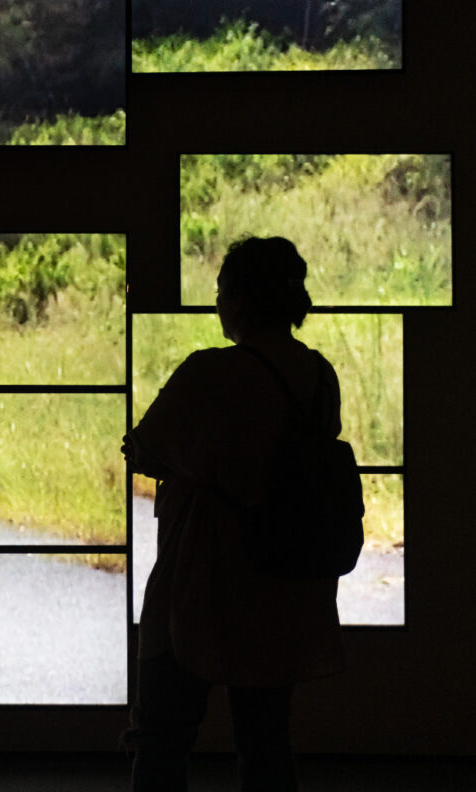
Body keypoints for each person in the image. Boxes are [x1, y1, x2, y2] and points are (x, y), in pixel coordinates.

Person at [122, 236, 345, 791]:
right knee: (267, 740)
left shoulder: (209, 373)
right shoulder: (319, 375)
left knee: (164, 736)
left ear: (241, 299)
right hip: (282, 582)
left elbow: (144, 449)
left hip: (200, 577)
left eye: (221, 290)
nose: (217, 301)